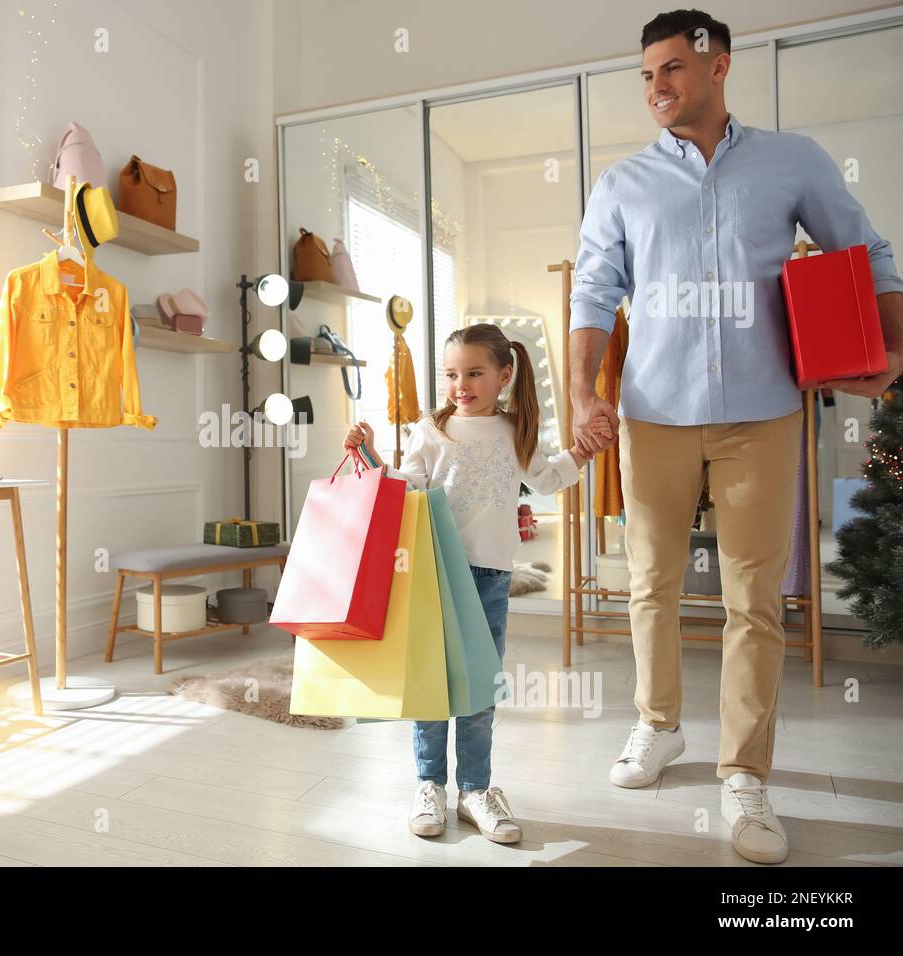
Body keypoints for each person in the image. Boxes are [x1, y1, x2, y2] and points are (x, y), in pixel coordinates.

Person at [568, 9, 903, 864]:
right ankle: (657, 727)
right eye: (646, 75)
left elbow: (866, 253)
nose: (657, 87)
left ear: (719, 67)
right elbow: (592, 293)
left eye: (673, 68)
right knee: (653, 584)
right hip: (653, 412)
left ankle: (745, 775)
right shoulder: (621, 184)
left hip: (764, 410)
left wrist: (892, 348)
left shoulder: (792, 160)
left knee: (756, 599)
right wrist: (579, 390)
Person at [345, 323, 610, 842]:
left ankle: (475, 790)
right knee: (431, 683)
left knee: (478, 687)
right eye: (451, 374)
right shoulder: (431, 429)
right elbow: (408, 486)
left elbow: (548, 477)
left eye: (473, 373)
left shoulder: (515, 431)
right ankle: (430, 785)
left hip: (490, 576)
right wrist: (372, 455)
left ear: (504, 375)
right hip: (433, 570)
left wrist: (583, 452)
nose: (460, 384)